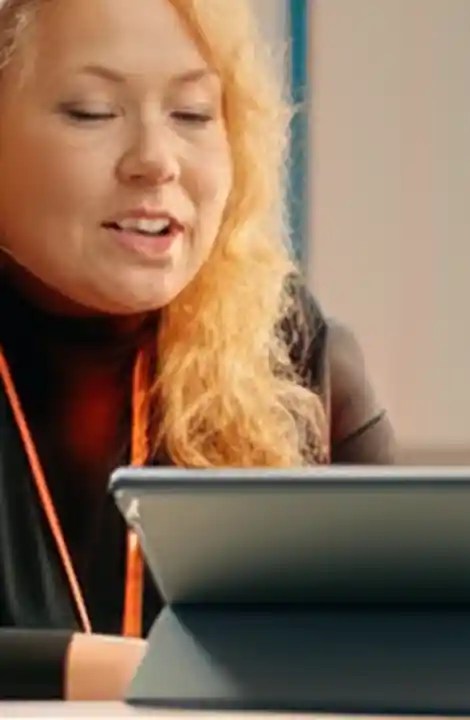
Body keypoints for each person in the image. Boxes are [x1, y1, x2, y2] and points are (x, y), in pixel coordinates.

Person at [0, 0, 395, 702]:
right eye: (92, 112)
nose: (156, 162)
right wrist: (139, 675)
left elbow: (423, 632)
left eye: (192, 114)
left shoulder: (288, 344)